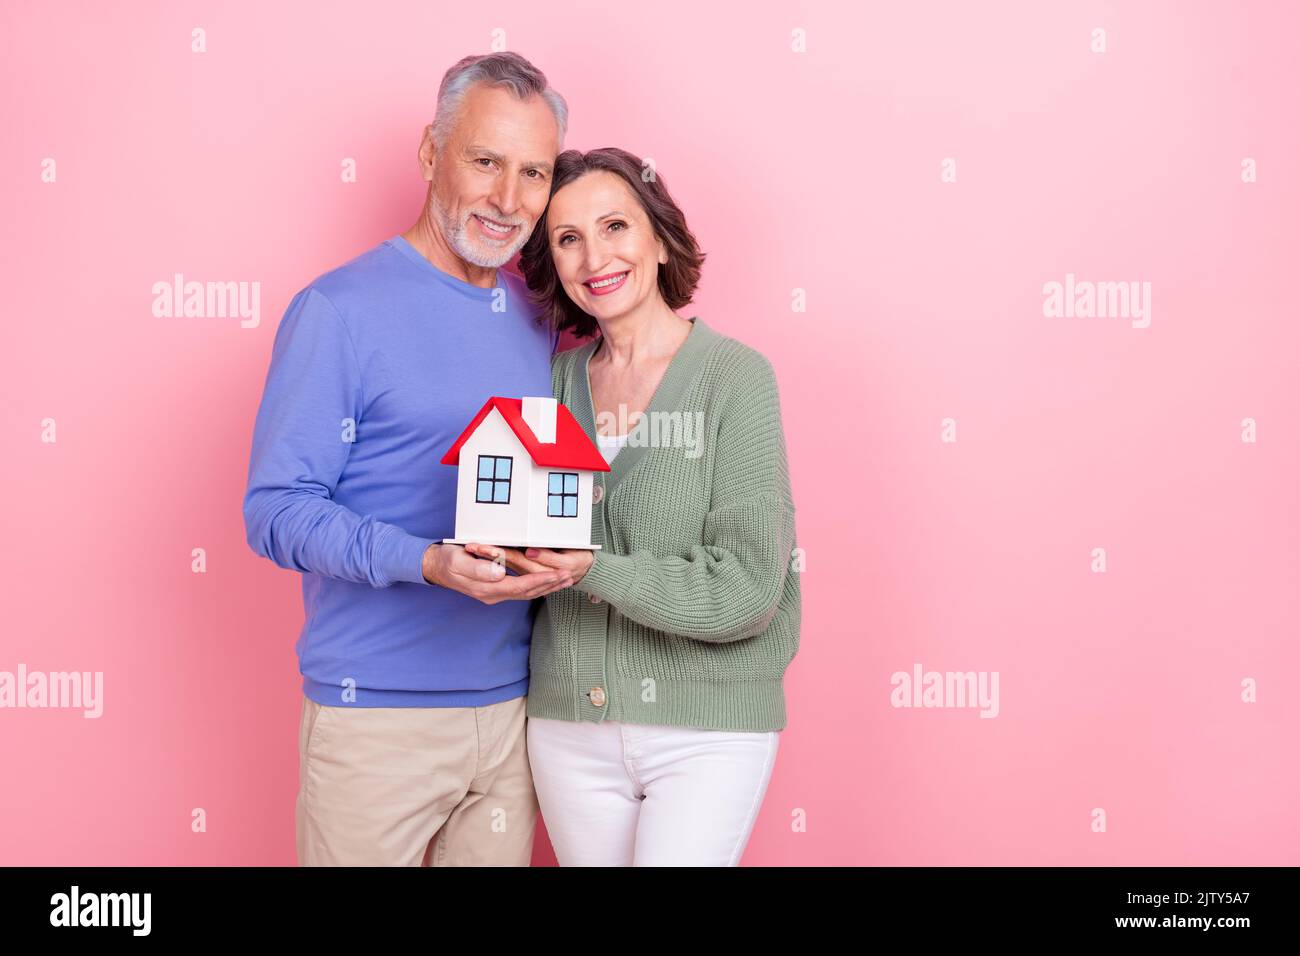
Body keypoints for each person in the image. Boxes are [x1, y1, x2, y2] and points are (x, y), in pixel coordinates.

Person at [242, 52, 575, 866]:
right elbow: (275, 509)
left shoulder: (541, 318)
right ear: (432, 154)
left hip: (513, 721)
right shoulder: (338, 311)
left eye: (533, 172)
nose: (509, 200)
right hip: (374, 724)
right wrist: (424, 561)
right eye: (485, 161)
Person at [468, 147, 801, 866]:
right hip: (565, 729)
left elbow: (746, 588)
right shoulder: (550, 383)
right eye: (567, 238)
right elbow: (520, 531)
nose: (595, 256)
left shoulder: (735, 380)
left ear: (658, 237)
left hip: (705, 730)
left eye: (615, 226)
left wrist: (591, 568)